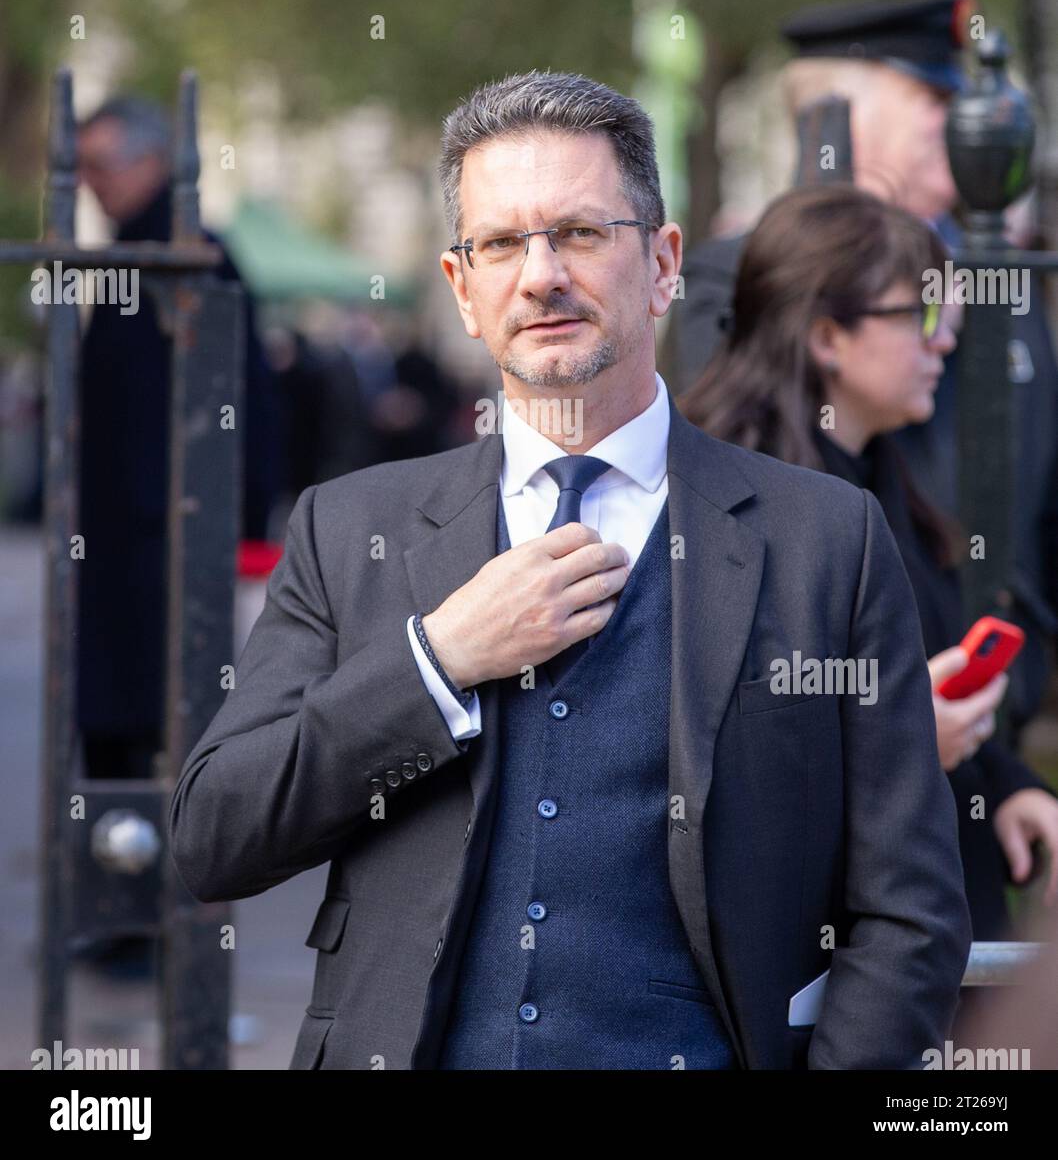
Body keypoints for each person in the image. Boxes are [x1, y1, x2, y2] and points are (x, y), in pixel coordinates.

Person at [169, 71, 971, 1071]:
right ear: (462, 290)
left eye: (580, 233)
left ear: (663, 261)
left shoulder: (825, 538)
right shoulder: (348, 527)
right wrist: (437, 661)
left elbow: (910, 914)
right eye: (500, 243)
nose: (540, 273)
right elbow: (215, 833)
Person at [665, 0, 1058, 741]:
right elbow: (764, 505)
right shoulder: (742, 274)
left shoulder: (998, 275)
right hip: (842, 746)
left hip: (992, 733)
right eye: (935, 98)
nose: (969, 120)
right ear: (845, 114)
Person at [678, 184, 1058, 943]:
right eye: (920, 317)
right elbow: (720, 756)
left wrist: (1008, 784)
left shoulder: (879, 466)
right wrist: (909, 742)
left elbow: (923, 667)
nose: (946, 341)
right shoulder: (725, 503)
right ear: (827, 337)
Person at [76, 95, 281, 782]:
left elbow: (247, 396)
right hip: (128, 533)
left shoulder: (189, 253)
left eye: (101, 164)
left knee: (165, 724)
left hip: (170, 531)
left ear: (153, 161)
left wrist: (246, 519)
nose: (88, 183)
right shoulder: (134, 249)